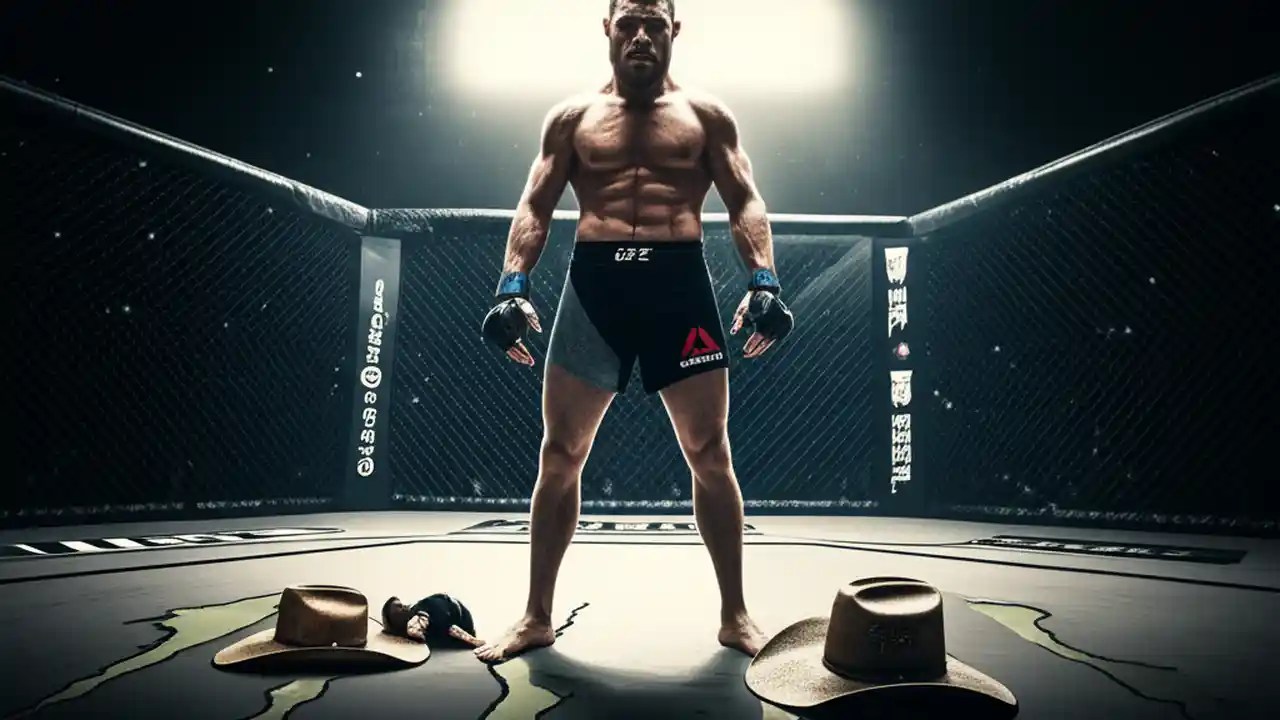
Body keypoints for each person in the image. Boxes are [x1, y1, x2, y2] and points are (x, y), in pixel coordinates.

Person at [476, 0, 794, 663]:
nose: (642, 35)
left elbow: (745, 200)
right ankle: (537, 616)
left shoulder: (708, 117)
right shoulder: (572, 119)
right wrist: (512, 285)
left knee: (711, 453)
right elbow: (535, 203)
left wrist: (764, 279)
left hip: (679, 287)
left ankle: (735, 615)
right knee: (560, 454)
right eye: (629, 24)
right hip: (597, 289)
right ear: (608, 30)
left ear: (675, 30)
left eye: (655, 23)